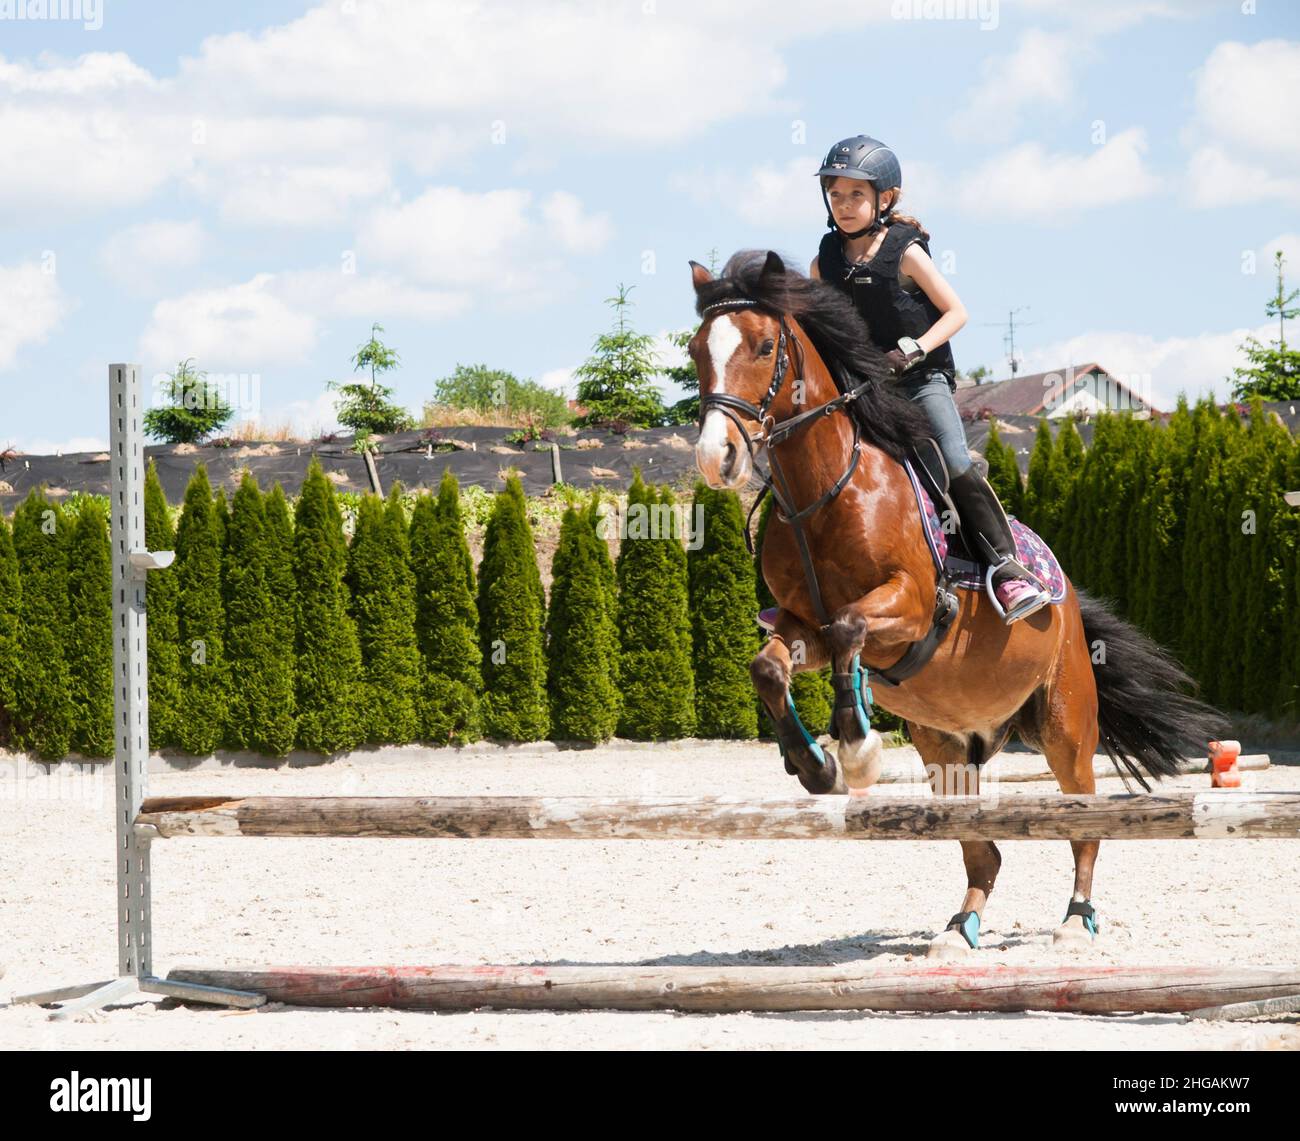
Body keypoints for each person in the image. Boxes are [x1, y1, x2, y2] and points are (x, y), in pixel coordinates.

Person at [810, 134, 1050, 624]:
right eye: (836, 194)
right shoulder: (824, 261)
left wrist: (915, 347)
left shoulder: (904, 252)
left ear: (885, 198)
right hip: (861, 387)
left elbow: (957, 311)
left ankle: (1007, 569)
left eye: (856, 194)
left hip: (920, 382)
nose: (844, 205)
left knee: (956, 458)